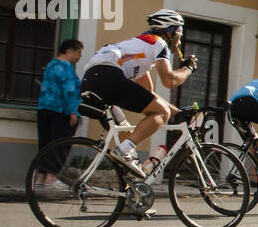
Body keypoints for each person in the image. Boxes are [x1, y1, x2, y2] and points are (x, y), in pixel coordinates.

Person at [79, 9, 197, 174]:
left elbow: (148, 95)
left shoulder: (137, 49)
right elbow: (169, 80)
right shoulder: (159, 43)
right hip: (109, 75)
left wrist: (176, 112)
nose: (179, 40)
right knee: (161, 114)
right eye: (179, 34)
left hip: (91, 80)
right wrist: (187, 68)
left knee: (127, 134)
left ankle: (128, 183)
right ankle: (122, 152)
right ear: (170, 32)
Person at [33, 38, 84, 187]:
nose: (79, 57)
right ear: (69, 51)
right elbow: (68, 91)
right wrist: (73, 112)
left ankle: (41, 177)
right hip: (61, 111)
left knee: (46, 143)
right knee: (60, 144)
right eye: (78, 52)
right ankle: (52, 177)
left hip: (44, 108)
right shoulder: (66, 67)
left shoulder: (50, 65)